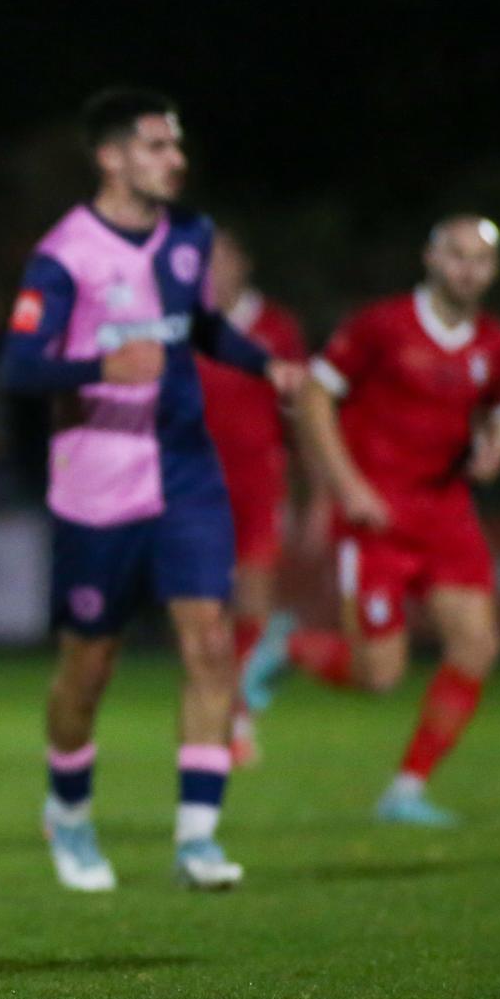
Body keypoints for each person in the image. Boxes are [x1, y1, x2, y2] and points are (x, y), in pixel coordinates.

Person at [0, 88, 305, 892]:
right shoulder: (64, 255)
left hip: (185, 472)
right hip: (98, 485)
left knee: (210, 643)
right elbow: (19, 367)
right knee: (89, 668)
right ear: (111, 157)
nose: (177, 159)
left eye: (177, 145)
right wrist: (101, 364)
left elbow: (200, 326)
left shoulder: (191, 236)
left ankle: (197, 840)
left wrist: (263, 363)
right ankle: (69, 813)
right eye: (158, 146)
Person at [247, 216, 500, 826]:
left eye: (480, 260)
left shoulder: (495, 341)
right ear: (431, 258)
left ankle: (406, 790)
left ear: (493, 271)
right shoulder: (383, 325)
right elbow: (314, 396)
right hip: (377, 513)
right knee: (379, 675)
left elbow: (498, 410)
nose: (467, 270)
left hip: (445, 510)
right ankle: (289, 647)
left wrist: (497, 446)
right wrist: (346, 486)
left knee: (478, 645)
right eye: (456, 256)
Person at [195, 229, 323, 765]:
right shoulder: (181, 325)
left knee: (252, 603)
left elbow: (305, 415)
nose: (212, 270)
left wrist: (319, 494)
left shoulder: (276, 327)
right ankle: (217, 710)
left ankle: (237, 714)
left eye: (222, 259)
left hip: (257, 484)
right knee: (203, 613)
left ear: (243, 265)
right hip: (193, 486)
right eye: (203, 261)